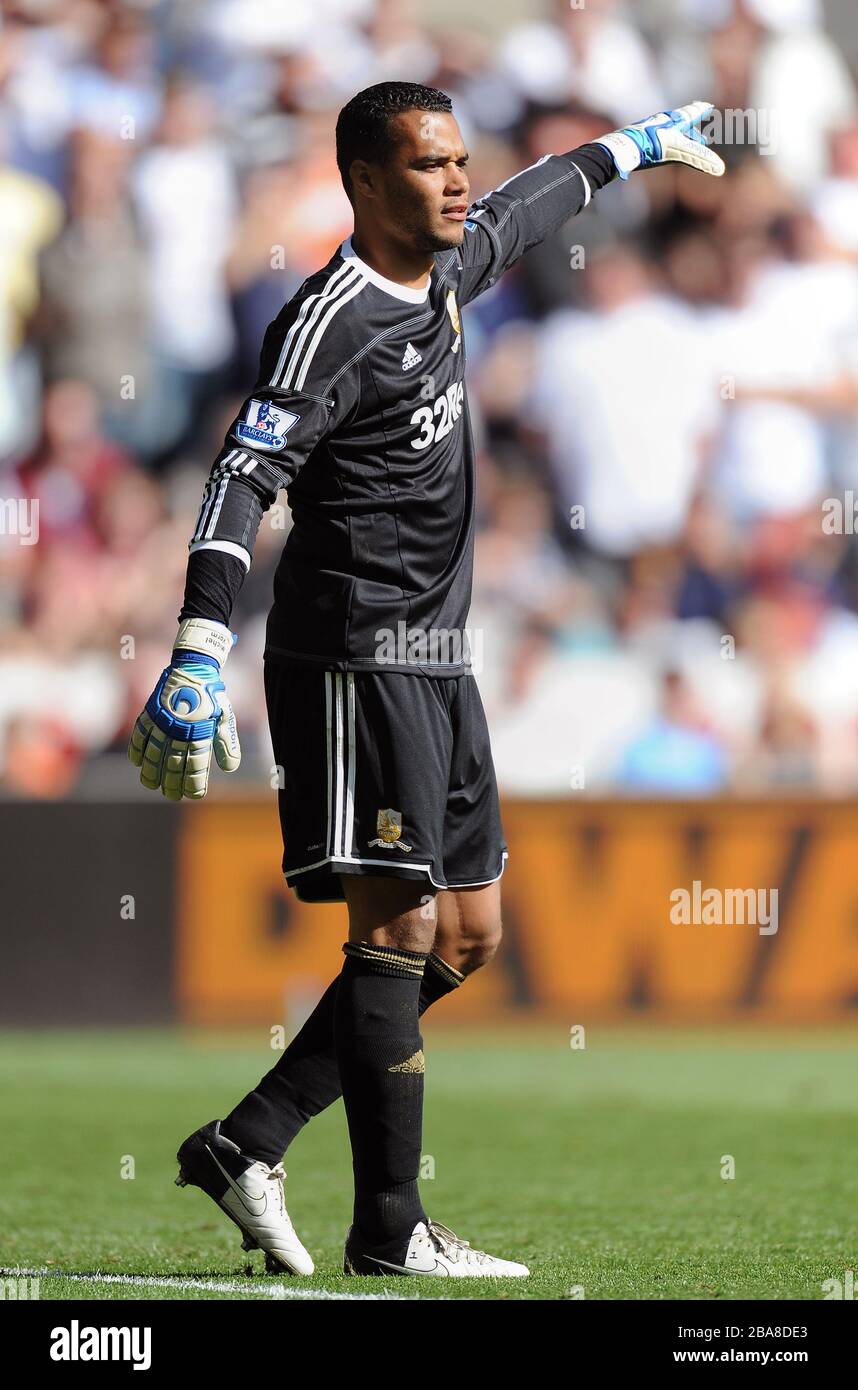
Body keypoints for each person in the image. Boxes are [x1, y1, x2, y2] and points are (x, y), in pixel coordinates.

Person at [128, 83, 723, 1279]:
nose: (456, 182)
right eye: (428, 166)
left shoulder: (451, 266)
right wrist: (198, 640)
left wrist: (638, 146)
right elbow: (242, 477)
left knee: (471, 934)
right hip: (354, 652)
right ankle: (391, 1230)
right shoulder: (326, 321)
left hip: (439, 659)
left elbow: (532, 198)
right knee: (398, 922)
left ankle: (249, 1139)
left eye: (457, 160)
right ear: (362, 181)